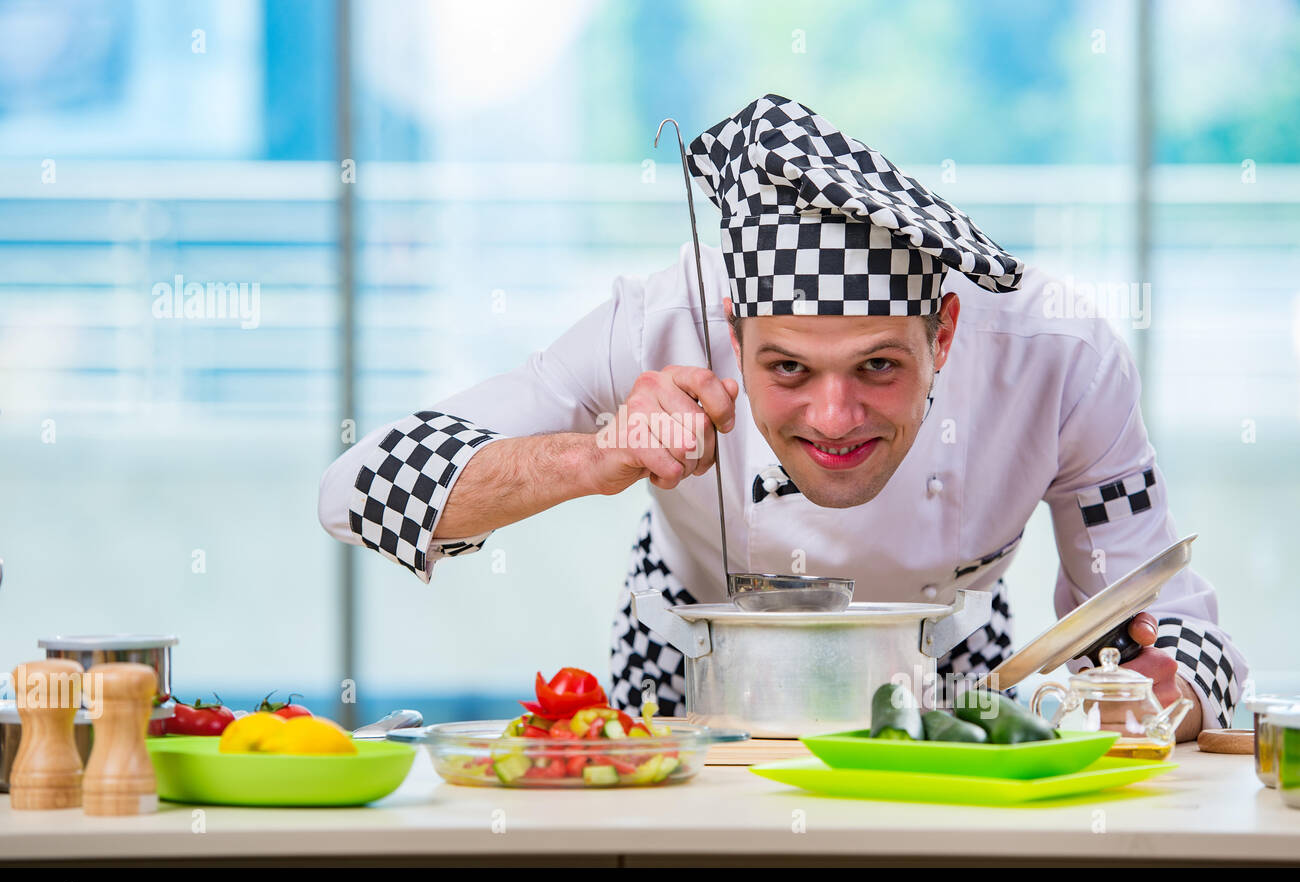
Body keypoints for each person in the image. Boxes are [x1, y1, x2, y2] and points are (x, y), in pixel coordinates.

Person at [318, 93, 1244, 738]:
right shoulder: (659, 320)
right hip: (686, 693)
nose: (834, 415)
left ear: (947, 331)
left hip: (955, 695)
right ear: (732, 326)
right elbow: (354, 490)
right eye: (789, 367)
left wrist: (1159, 697)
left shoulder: (1059, 356)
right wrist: (590, 457)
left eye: (879, 365)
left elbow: (1176, 627)